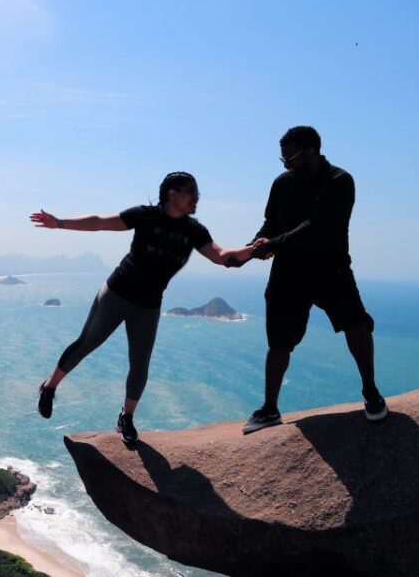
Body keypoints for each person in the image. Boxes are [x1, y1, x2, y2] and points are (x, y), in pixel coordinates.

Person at [30, 171, 253, 443]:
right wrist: (59, 223)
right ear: (173, 194)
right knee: (88, 342)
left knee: (140, 364)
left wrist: (253, 249)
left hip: (148, 306)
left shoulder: (194, 231)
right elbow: (100, 222)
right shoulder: (146, 215)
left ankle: (126, 417)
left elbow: (221, 257)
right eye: (191, 192)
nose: (197, 198)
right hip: (117, 293)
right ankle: (50, 387)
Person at [242, 126, 387, 435]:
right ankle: (270, 408)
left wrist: (274, 244)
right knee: (279, 341)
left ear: (311, 150)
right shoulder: (281, 184)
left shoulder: (339, 181)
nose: (285, 165)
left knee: (356, 324)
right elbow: (271, 223)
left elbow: (318, 226)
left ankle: (371, 393)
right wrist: (256, 244)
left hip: (330, 269)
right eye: (281, 159)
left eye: (289, 157)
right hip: (288, 273)